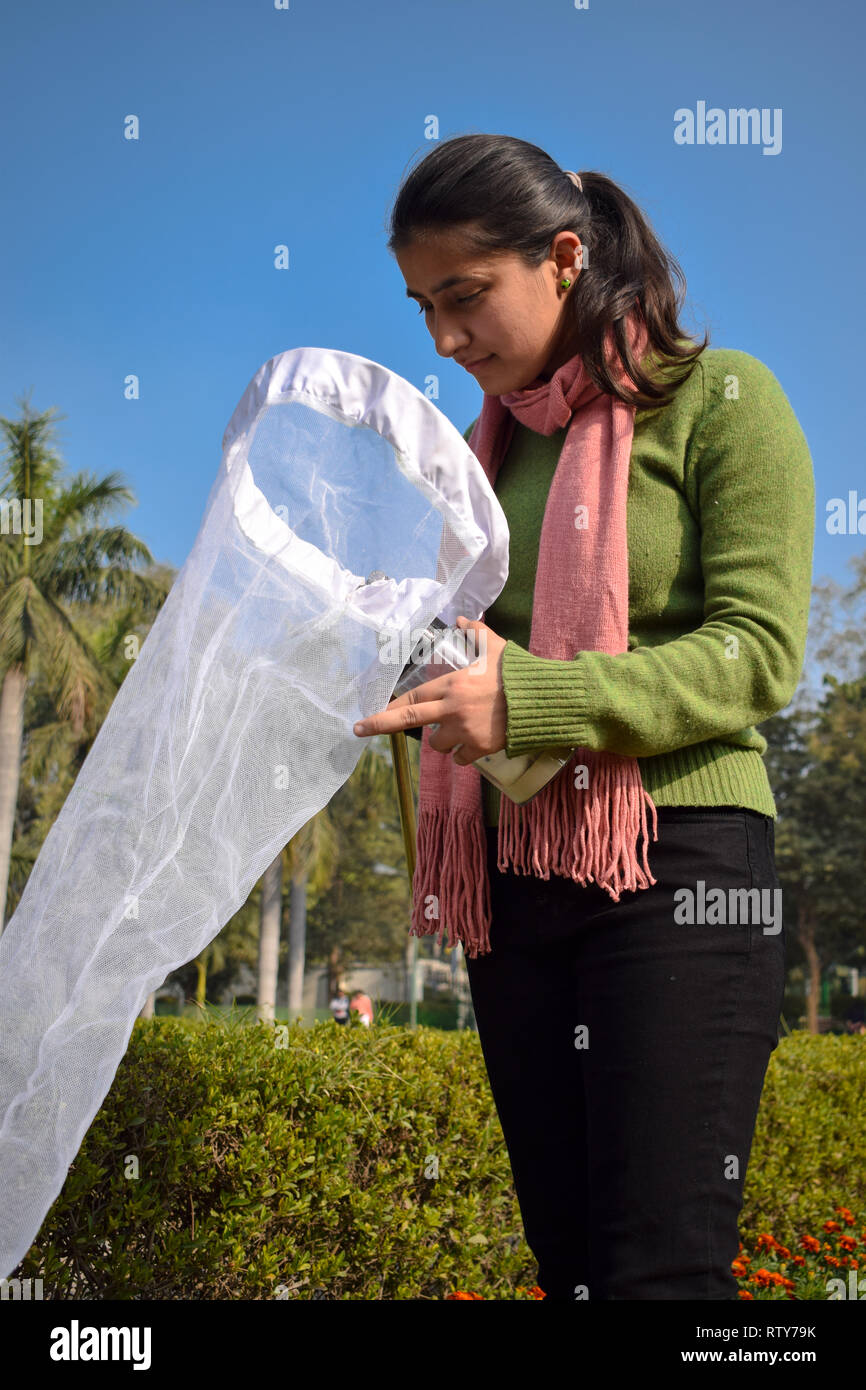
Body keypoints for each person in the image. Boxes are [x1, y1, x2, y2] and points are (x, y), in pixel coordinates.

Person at [353, 134, 814, 1300]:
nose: (444, 341)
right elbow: (476, 670)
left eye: (464, 297)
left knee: (657, 1269)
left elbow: (755, 657)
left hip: (680, 862)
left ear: (563, 257)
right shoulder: (473, 463)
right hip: (514, 886)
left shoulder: (722, 402)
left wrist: (527, 695)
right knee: (569, 1272)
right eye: (421, 307)